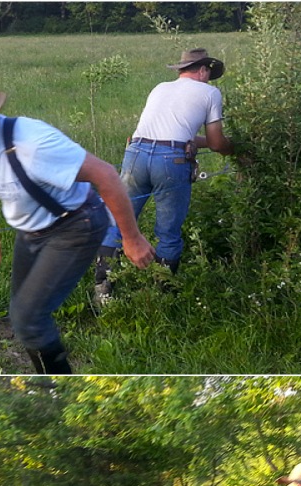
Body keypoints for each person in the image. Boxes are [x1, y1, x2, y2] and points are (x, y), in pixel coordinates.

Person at [0, 76, 154, 374]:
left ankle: (61, 392)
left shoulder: (33, 143)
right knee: (22, 315)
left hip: (76, 225)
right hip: (31, 231)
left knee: (28, 318)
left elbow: (107, 176)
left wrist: (131, 238)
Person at [94, 48, 234, 304]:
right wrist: (235, 148)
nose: (209, 78)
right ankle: (162, 296)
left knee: (119, 222)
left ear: (182, 70)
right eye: (209, 73)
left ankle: (103, 290)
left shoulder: (160, 88)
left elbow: (174, 132)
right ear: (203, 70)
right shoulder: (210, 93)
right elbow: (216, 142)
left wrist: (192, 143)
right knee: (168, 232)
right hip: (172, 160)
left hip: (135, 153)